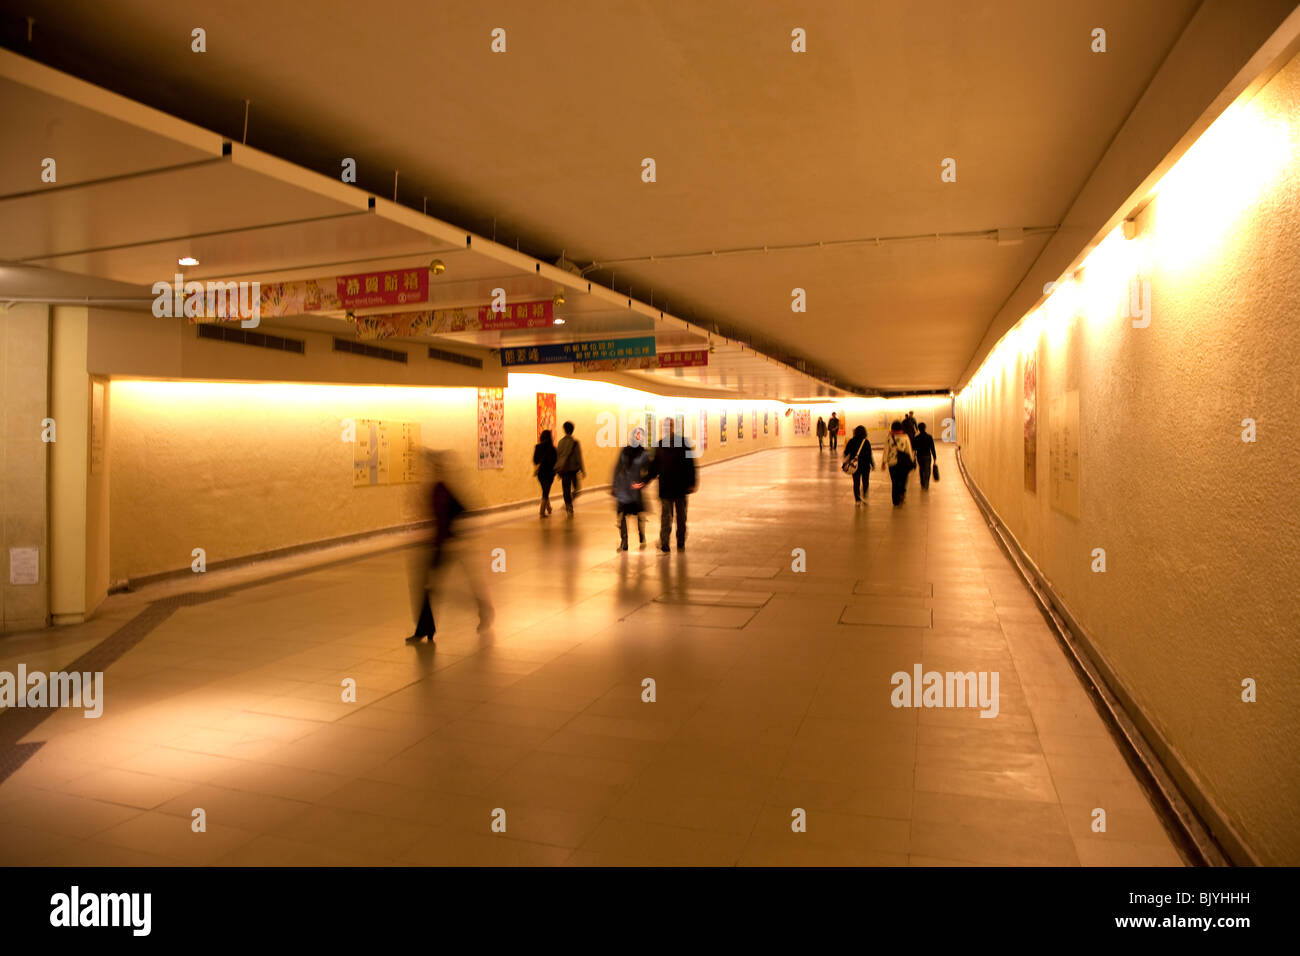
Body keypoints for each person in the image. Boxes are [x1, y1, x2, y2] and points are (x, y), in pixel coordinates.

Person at [407, 453, 494, 643]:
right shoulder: (434, 489)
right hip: (440, 544)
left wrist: (456, 534)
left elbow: (466, 510)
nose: (431, 471)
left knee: (436, 586)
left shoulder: (445, 490)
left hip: (449, 545)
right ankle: (425, 629)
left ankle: (484, 609)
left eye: (434, 468)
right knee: (428, 587)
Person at [649, 417, 697, 552]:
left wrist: (692, 482)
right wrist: (644, 480)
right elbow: (654, 467)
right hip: (665, 487)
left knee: (681, 517)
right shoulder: (659, 445)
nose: (666, 428)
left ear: (672, 427)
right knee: (666, 516)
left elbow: (690, 464)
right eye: (664, 426)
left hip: (680, 487)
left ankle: (680, 540)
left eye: (669, 426)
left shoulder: (683, 443)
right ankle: (665, 542)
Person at [611, 428, 651, 551]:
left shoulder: (644, 454)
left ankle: (641, 535)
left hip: (635, 490)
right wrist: (614, 485)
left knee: (638, 514)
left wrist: (642, 483)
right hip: (623, 487)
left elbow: (649, 471)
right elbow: (617, 468)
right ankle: (624, 541)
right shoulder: (624, 451)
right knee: (621, 515)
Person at [554, 420, 586, 517]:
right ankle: (569, 504)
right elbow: (578, 457)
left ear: (564, 430)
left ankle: (568, 505)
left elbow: (558, 456)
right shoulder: (575, 443)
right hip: (573, 470)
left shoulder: (560, 442)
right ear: (573, 430)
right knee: (577, 489)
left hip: (564, 470)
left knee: (566, 489)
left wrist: (558, 468)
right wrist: (582, 469)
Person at [883, 420, 915, 507]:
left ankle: (895, 500)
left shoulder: (889, 438)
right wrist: (912, 461)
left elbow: (886, 450)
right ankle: (902, 493)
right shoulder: (905, 437)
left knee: (894, 482)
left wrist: (884, 462)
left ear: (892, 429)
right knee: (903, 480)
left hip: (892, 463)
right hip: (904, 463)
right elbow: (909, 450)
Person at [842, 425, 875, 505]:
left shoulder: (851, 441)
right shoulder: (866, 442)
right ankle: (864, 496)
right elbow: (869, 454)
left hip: (855, 465)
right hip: (865, 465)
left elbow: (846, 452)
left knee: (856, 483)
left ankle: (857, 500)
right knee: (865, 482)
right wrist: (872, 464)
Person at [532, 429, 557, 517]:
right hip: (549, 473)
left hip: (540, 473)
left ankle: (549, 507)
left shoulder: (537, 447)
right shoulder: (553, 449)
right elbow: (555, 462)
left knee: (545, 490)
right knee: (546, 492)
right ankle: (542, 512)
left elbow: (535, 460)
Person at [912, 422, 937, 491]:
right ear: (925, 428)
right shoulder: (929, 437)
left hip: (919, 456)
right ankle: (926, 483)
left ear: (919, 429)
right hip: (927, 456)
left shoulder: (916, 438)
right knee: (927, 469)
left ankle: (922, 482)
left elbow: (913, 448)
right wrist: (934, 456)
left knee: (921, 469)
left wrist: (913, 456)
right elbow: (932, 447)